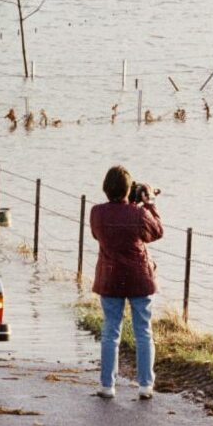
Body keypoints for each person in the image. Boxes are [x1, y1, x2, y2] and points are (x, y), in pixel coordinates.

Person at [89, 165, 164, 400]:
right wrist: (149, 202)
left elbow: (96, 235)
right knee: (143, 331)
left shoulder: (96, 213)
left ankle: (107, 385)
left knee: (110, 331)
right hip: (139, 279)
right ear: (129, 189)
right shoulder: (139, 214)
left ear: (105, 188)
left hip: (110, 278)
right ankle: (145, 386)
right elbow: (157, 231)